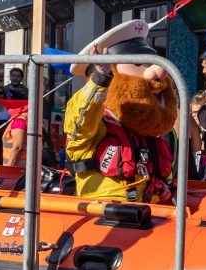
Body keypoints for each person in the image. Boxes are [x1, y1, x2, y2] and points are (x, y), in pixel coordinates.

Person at [64, 20, 177, 202]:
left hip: (144, 214)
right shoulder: (96, 121)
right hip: (105, 213)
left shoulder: (144, 128)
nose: (158, 72)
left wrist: (160, 186)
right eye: (140, 64)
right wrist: (101, 79)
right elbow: (80, 119)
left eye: (149, 62)